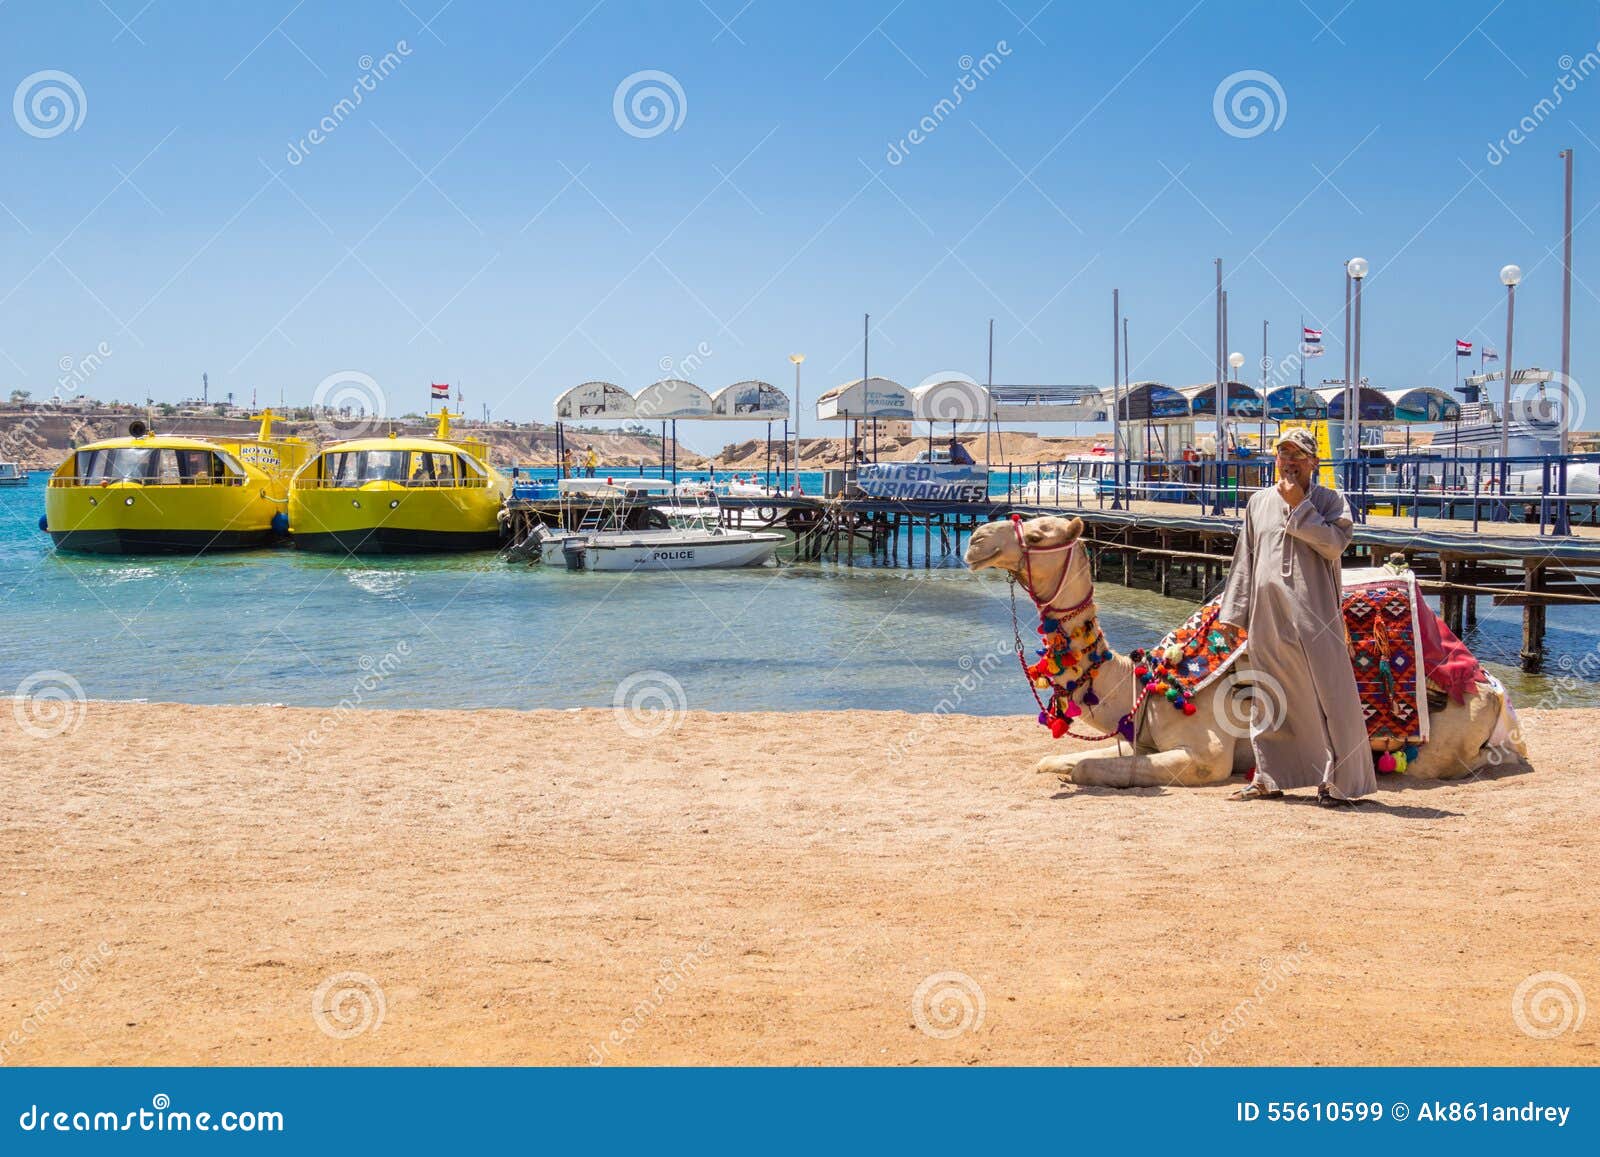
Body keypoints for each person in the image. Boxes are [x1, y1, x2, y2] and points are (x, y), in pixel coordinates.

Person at [1217, 427, 1374, 807]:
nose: (1288, 463)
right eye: (1282, 455)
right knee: (1269, 694)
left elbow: (1336, 545)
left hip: (1314, 614)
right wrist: (1233, 612)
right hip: (1267, 615)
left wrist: (1299, 505)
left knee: (1329, 696)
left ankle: (1340, 782)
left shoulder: (1330, 501)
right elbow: (1246, 559)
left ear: (1312, 463)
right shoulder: (1258, 502)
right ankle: (1270, 777)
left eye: (1297, 457)